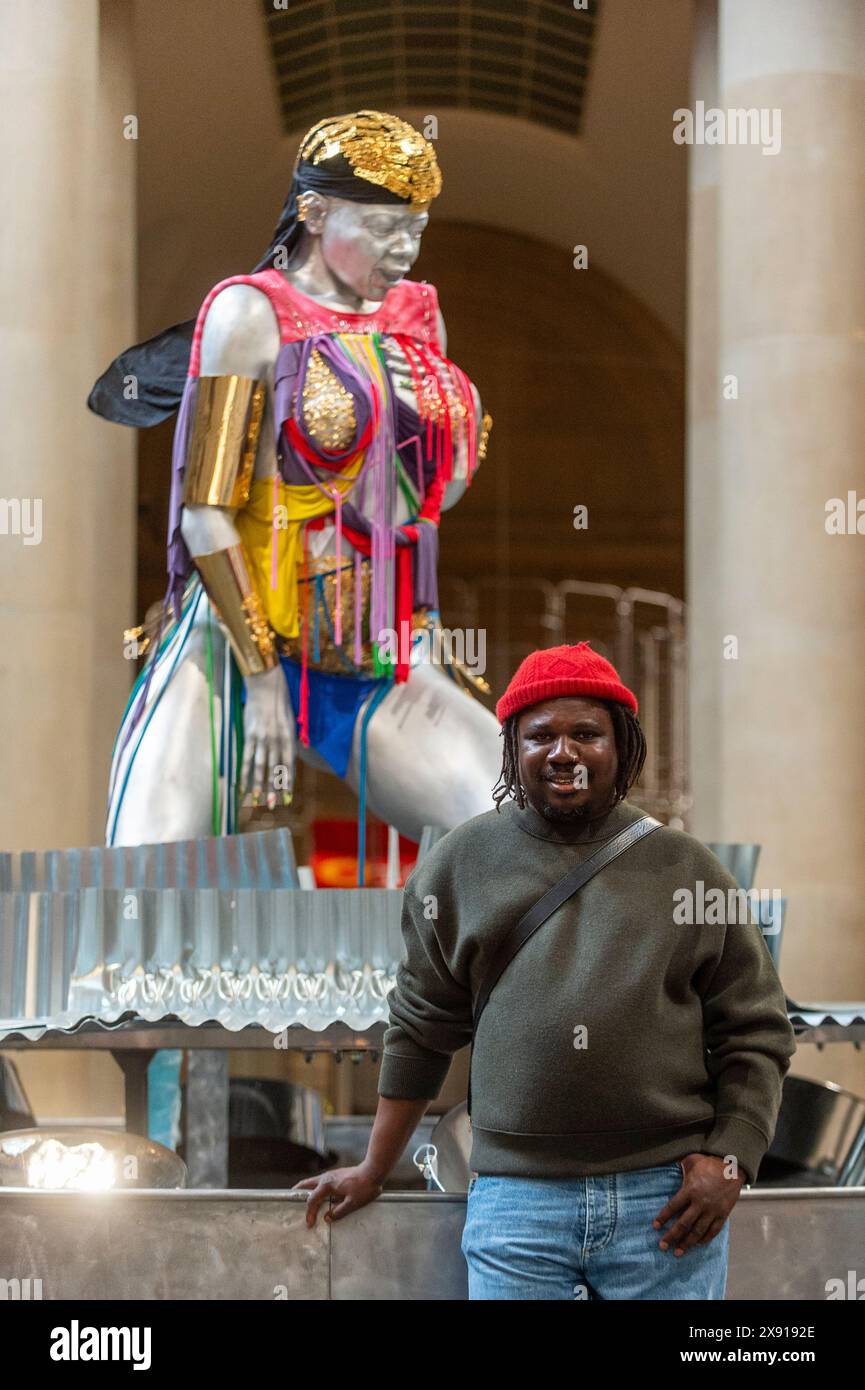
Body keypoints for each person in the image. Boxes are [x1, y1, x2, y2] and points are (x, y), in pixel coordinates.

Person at [294, 641, 797, 1300]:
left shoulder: (687, 870)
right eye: (541, 737)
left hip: (665, 1201)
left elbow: (755, 1031)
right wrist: (373, 1168)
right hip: (515, 1202)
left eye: (585, 733)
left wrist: (731, 1156)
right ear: (512, 751)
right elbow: (419, 1032)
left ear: (620, 747)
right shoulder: (458, 863)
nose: (563, 752)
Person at [89, 111, 499, 856]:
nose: (402, 250)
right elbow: (205, 516)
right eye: (382, 228)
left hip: (369, 646)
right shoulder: (248, 314)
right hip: (232, 640)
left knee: (519, 831)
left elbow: (420, 505)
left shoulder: (415, 318)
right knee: (145, 883)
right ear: (313, 212)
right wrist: (266, 681)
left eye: (416, 228)